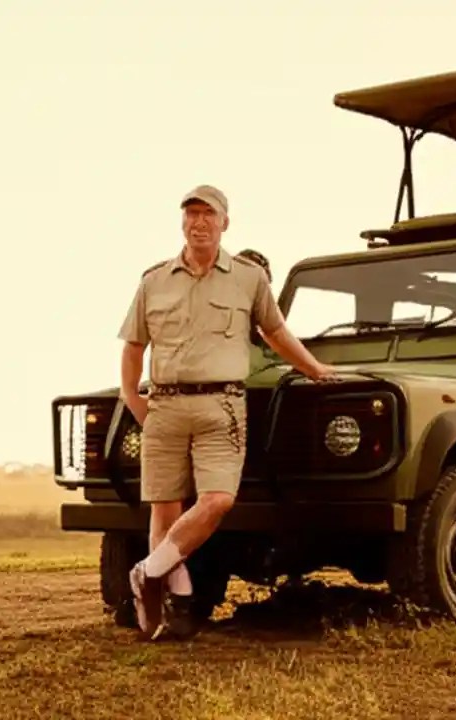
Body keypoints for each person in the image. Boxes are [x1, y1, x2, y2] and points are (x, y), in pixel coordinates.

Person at [117, 184, 339, 640]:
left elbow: (275, 332)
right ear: (183, 221)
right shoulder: (153, 281)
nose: (199, 222)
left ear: (224, 222)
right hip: (164, 404)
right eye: (192, 214)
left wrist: (313, 367)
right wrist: (133, 400)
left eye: (208, 214)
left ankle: (147, 573)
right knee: (165, 511)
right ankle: (175, 613)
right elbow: (134, 346)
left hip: (222, 406)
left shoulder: (247, 277)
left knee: (218, 499)